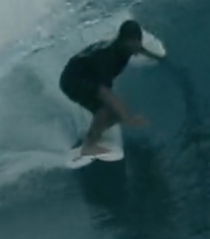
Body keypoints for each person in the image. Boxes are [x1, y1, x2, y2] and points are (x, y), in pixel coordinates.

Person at [59, 19, 160, 157]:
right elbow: (105, 94)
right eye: (134, 42)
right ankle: (89, 146)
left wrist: (159, 58)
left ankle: (91, 134)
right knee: (107, 109)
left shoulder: (125, 47)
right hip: (73, 79)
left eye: (138, 41)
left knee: (114, 113)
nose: (137, 45)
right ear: (124, 40)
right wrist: (128, 118)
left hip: (86, 75)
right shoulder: (108, 58)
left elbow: (140, 49)